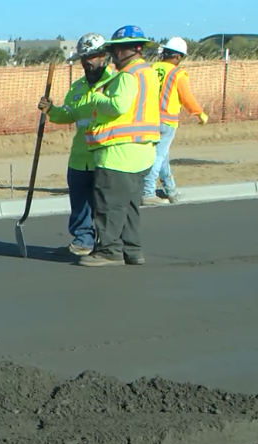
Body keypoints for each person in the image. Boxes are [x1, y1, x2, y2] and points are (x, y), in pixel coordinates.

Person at [76, 24, 160, 267]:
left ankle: (109, 250)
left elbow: (117, 106)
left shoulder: (127, 76)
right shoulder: (148, 73)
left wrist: (96, 95)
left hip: (118, 152)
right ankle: (132, 250)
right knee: (131, 207)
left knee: (109, 205)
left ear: (130, 50)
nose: (113, 55)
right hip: (142, 151)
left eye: (116, 50)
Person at [39, 32, 118, 257]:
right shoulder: (78, 86)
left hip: (105, 155)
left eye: (92, 56)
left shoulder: (115, 83)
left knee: (104, 204)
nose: (87, 62)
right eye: (84, 57)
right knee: (80, 202)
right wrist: (52, 110)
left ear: (104, 56)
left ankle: (107, 244)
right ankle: (83, 240)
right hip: (80, 156)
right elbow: (70, 114)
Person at [143, 36, 209, 205]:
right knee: (157, 157)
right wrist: (199, 113)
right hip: (166, 121)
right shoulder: (177, 74)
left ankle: (171, 191)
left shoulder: (151, 68)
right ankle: (147, 192)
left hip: (147, 119)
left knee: (162, 156)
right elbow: (187, 97)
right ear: (178, 56)